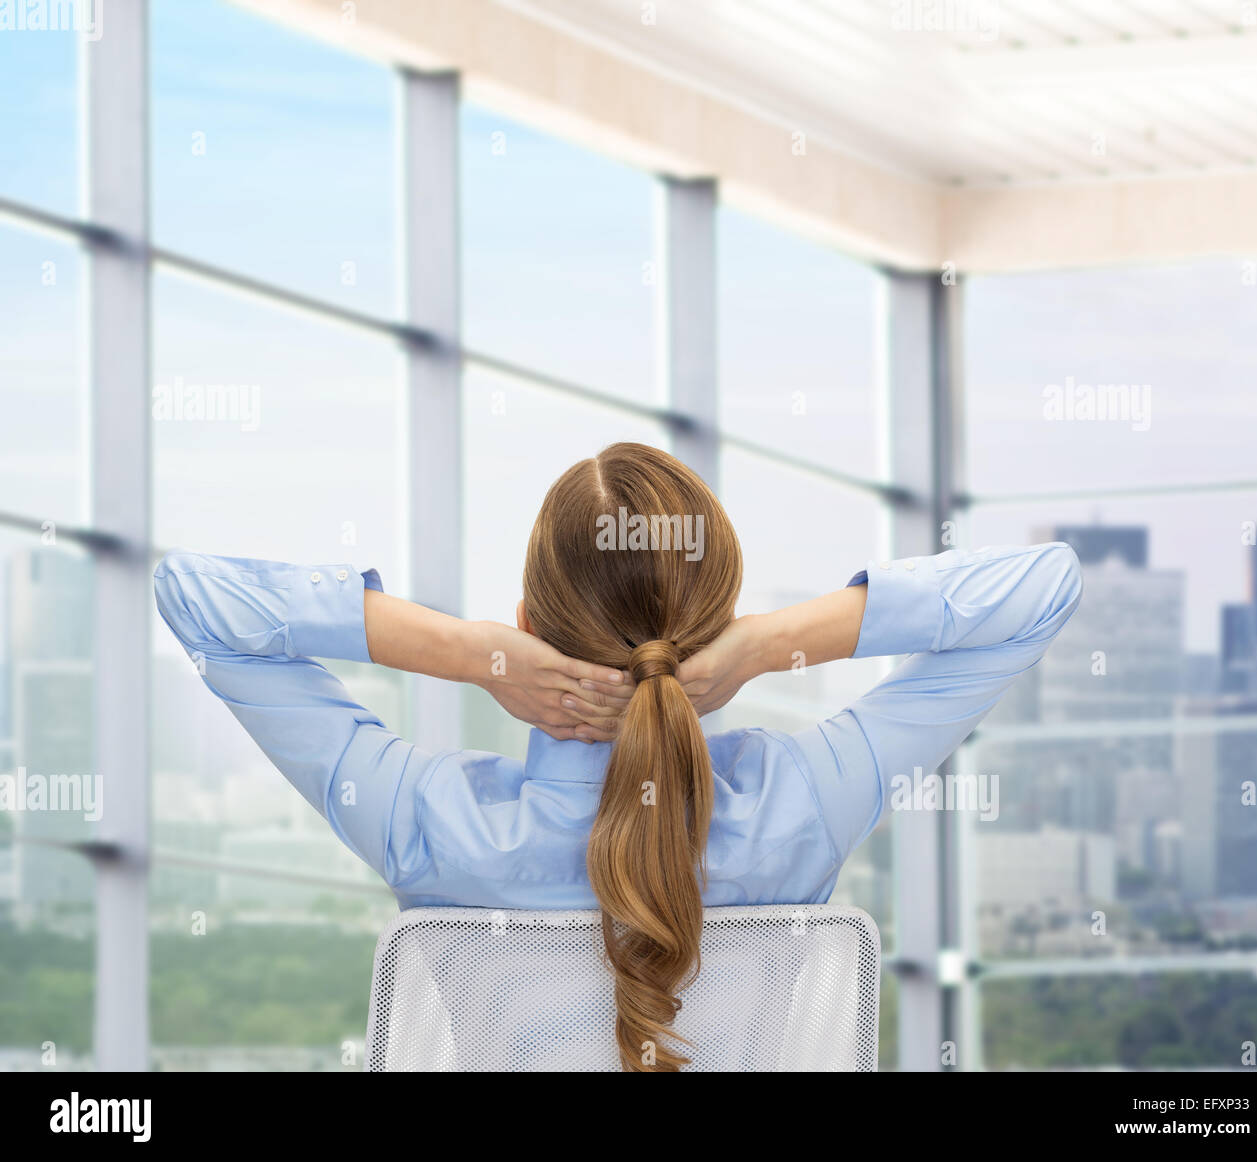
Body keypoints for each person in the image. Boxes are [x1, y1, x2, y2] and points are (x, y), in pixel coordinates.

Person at [154, 441, 1082, 1071]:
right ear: (712, 627)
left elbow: (201, 605)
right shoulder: (806, 803)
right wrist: (766, 643)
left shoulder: (429, 828)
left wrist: (469, 654)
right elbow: (1041, 591)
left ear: (527, 625)